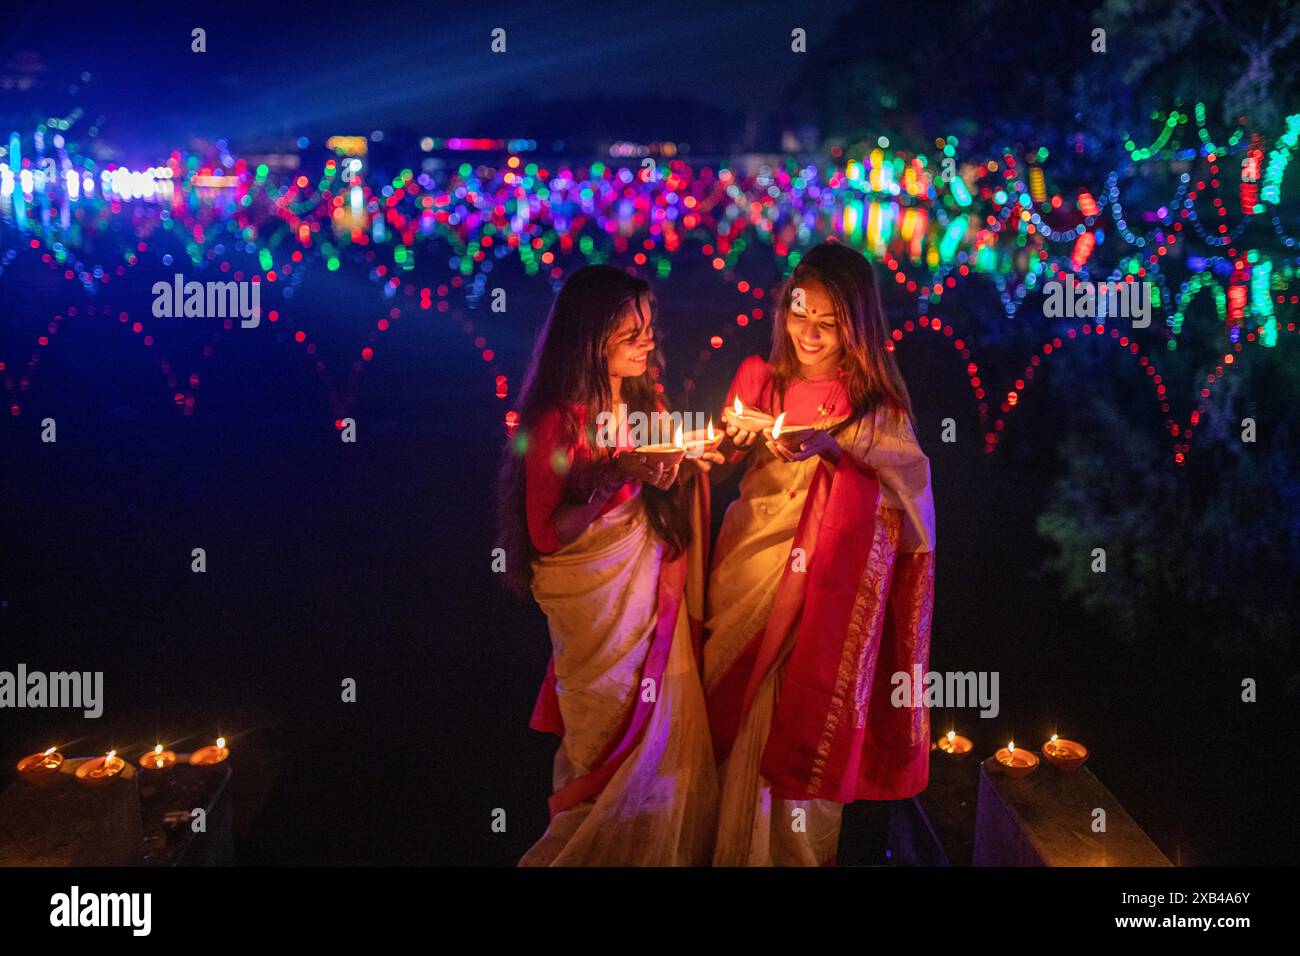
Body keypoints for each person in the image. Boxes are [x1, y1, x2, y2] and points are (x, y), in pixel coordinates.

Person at [703, 241, 936, 866]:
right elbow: (722, 469)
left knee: (792, 717)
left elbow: (907, 508)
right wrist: (718, 442)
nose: (809, 332)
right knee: (728, 710)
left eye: (828, 323)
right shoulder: (763, 380)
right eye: (799, 314)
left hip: (817, 601)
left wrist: (830, 454)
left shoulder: (874, 411)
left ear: (856, 326)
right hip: (746, 571)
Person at [497, 264, 718, 865]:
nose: (649, 342)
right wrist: (615, 476)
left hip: (648, 603)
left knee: (664, 756)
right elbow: (547, 536)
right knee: (601, 745)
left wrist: (684, 464)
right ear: (591, 342)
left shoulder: (645, 403)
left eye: (649, 329)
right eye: (632, 334)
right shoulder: (556, 423)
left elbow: (662, 474)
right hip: (593, 611)